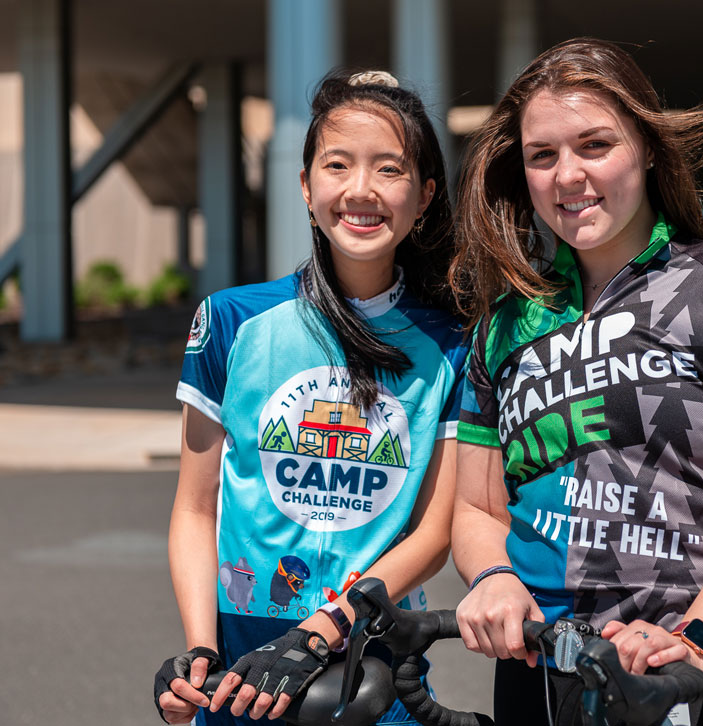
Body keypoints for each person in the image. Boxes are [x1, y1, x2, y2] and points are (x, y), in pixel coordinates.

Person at [449, 38, 703, 726]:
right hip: (541, 673)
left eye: (595, 145)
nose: (568, 175)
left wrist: (696, 644)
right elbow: (476, 509)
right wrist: (495, 577)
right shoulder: (503, 322)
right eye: (542, 155)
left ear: (647, 148)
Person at [154, 70, 468, 725]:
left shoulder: (454, 342)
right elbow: (195, 508)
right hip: (241, 663)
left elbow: (434, 533)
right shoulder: (231, 320)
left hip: (378, 664)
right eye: (337, 165)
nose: (360, 190)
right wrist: (200, 651)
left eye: (389, 169)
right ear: (305, 186)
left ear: (424, 195)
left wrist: (321, 631)